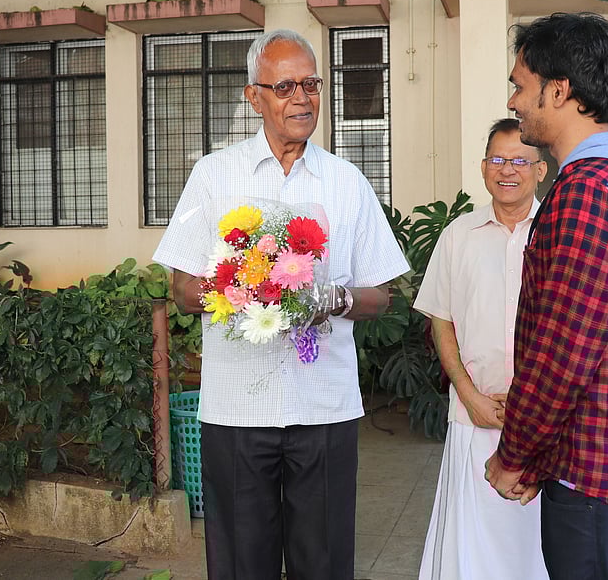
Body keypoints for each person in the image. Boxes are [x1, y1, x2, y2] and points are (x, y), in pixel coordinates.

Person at [153, 29, 408, 580]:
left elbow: (382, 293)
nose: (302, 97)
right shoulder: (213, 176)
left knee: (325, 560)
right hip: (238, 408)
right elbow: (180, 287)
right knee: (243, 561)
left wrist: (329, 298)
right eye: (286, 85)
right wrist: (240, 288)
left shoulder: (346, 183)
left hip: (324, 407)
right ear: (254, 96)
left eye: (311, 84)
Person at [484, 12, 608, 580]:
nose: (515, 101)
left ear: (559, 89)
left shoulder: (589, 192)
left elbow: (563, 351)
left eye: (521, 85)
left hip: (600, 480)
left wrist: (514, 454)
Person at [414, 118, 549, 580]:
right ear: (483, 167)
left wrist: (535, 402)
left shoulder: (558, 233)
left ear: (540, 170)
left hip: (544, 424)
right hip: (473, 416)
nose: (506, 170)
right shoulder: (458, 235)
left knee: (535, 549)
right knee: (472, 555)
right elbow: (441, 318)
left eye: (519, 160)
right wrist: (468, 394)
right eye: (497, 159)